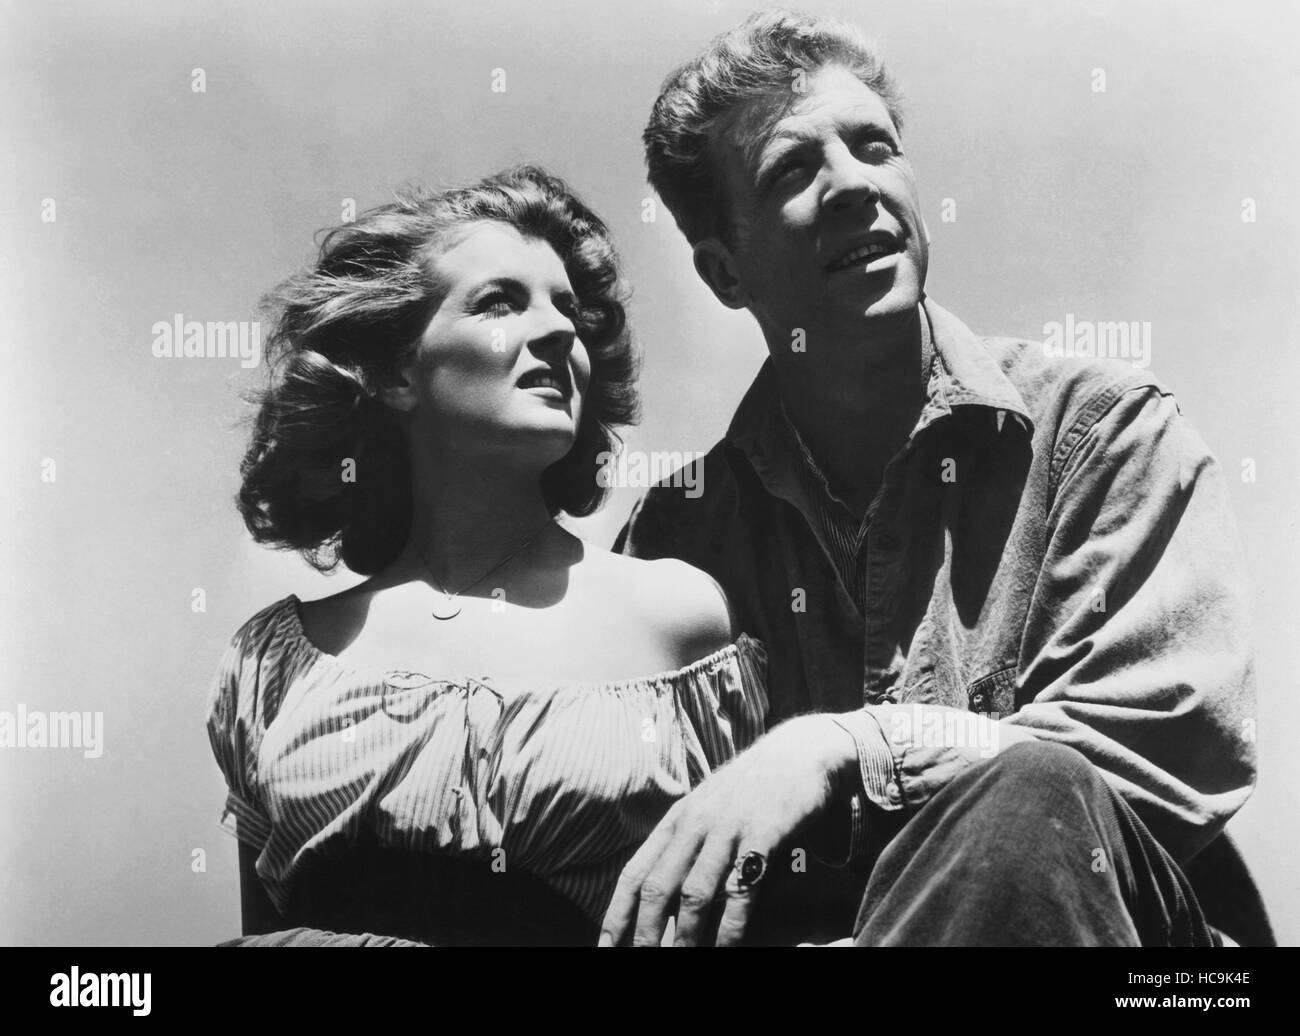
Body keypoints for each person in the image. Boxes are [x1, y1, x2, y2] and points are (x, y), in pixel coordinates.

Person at [605, 9, 1257, 947]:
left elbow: (1157, 758)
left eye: (874, 145)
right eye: (794, 169)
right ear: (723, 272)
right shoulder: (678, 539)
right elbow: (658, 858)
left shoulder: (1102, 433)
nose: (854, 185)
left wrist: (842, 745)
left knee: (1033, 792)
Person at [205, 165, 768, 945]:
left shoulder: (676, 617)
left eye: (568, 309)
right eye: (502, 302)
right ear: (396, 374)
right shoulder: (275, 663)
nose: (561, 330)